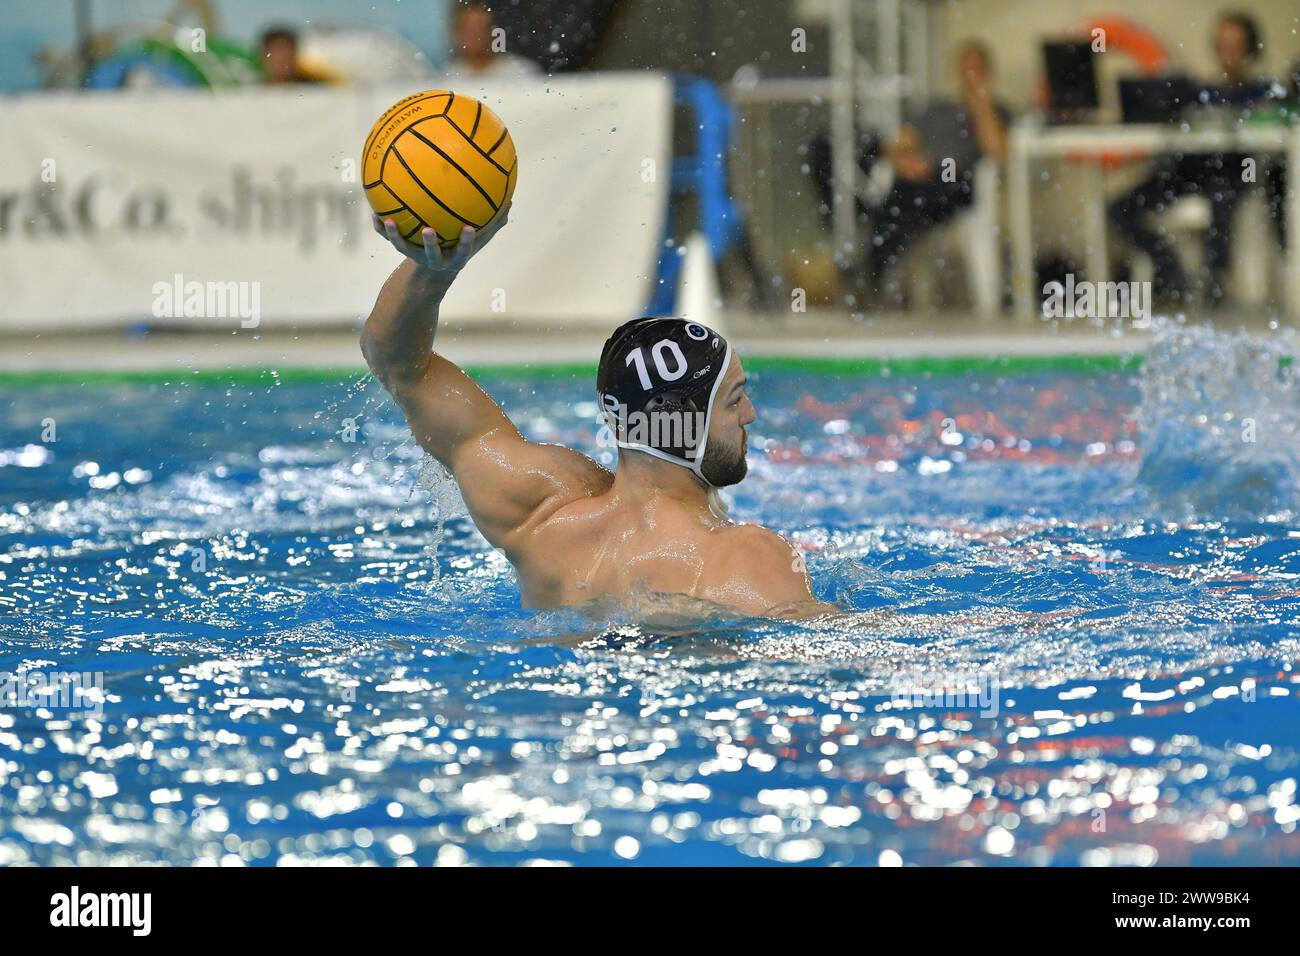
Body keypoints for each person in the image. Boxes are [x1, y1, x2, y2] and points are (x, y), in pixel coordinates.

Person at [360, 210, 831, 619]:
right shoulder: (745, 558)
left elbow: (399, 364)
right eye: (733, 399)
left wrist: (434, 269)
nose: (749, 414)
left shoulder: (540, 513)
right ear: (681, 421)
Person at [807, 41, 1009, 301]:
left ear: (988, 74)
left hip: (958, 183)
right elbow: (899, 144)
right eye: (965, 70)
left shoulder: (996, 112)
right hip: (917, 180)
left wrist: (980, 104)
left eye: (976, 70)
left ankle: (872, 270)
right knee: (898, 200)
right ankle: (872, 268)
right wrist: (906, 162)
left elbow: (997, 153)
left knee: (905, 205)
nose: (970, 77)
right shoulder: (938, 110)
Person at [1107, 12, 1278, 307]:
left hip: (1238, 172)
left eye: (1235, 46)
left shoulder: (1263, 91)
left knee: (1222, 197)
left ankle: (1215, 282)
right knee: (1120, 208)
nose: (1228, 54)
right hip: (1189, 174)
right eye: (1222, 45)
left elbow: (1273, 127)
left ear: (1251, 49)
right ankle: (1169, 270)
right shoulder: (1198, 91)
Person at [442, 3, 540, 80]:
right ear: (458, 33)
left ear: (495, 33)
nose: (476, 36)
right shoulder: (448, 77)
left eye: (481, 29)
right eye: (469, 30)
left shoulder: (521, 73)